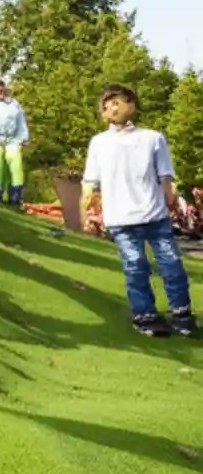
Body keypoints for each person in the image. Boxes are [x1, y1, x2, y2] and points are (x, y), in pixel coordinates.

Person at [80, 85, 195, 337]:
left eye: (116, 101)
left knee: (172, 263)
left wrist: (171, 201)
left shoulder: (153, 138)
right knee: (135, 266)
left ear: (131, 104)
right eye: (106, 104)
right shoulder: (99, 143)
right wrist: (87, 213)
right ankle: (145, 314)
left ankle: (181, 312)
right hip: (120, 219)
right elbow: (90, 182)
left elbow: (165, 175)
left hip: (155, 215)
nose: (111, 107)